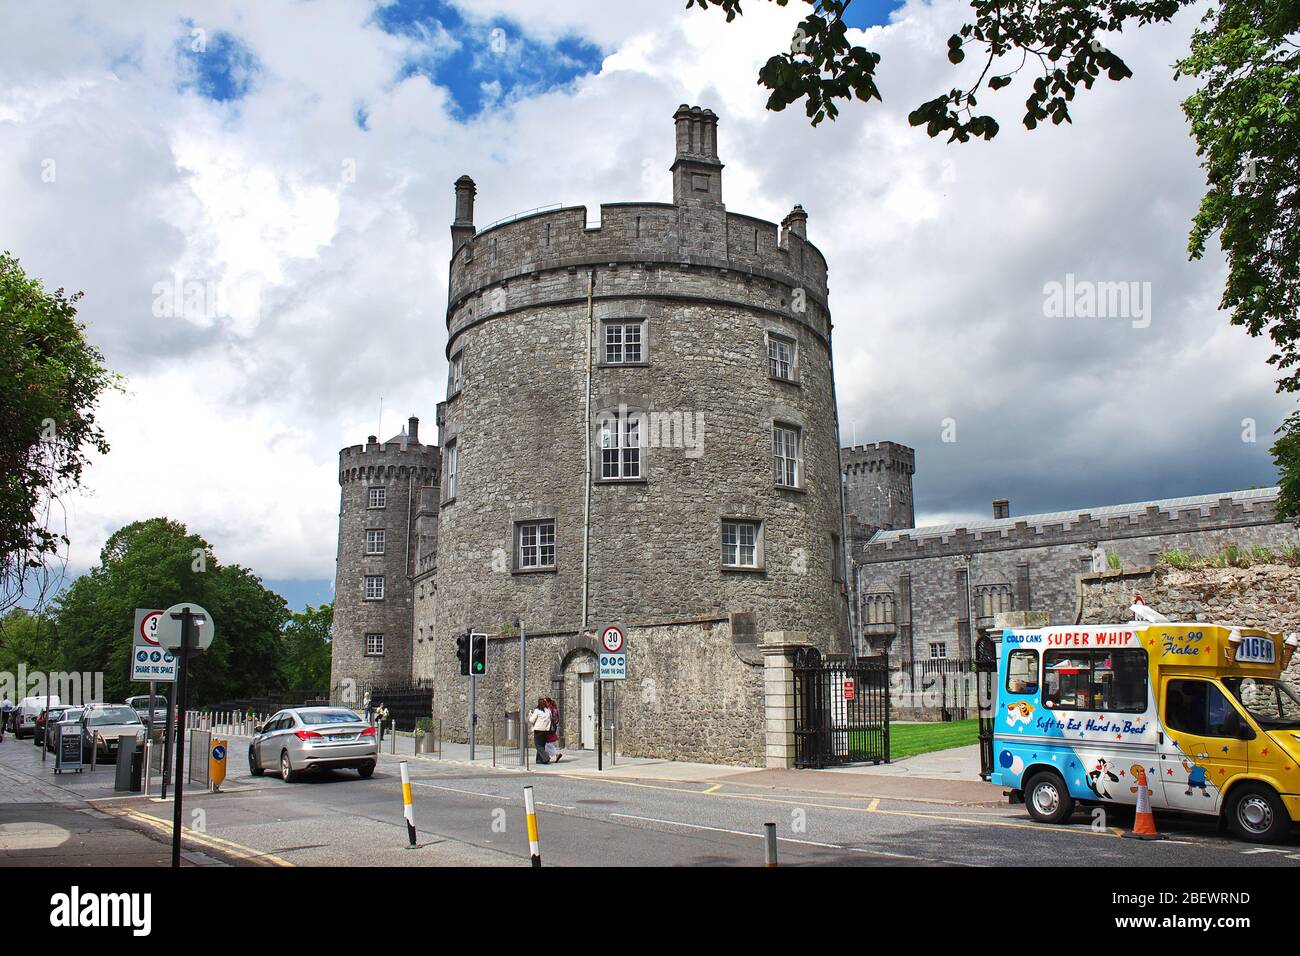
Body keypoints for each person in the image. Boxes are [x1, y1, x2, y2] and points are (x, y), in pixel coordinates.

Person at [528, 698, 552, 764]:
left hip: (538, 730)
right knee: (542, 745)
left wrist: (530, 715)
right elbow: (550, 718)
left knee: (538, 745)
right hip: (546, 730)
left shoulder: (537, 710)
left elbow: (531, 720)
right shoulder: (548, 710)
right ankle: (539, 760)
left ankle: (546, 757)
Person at [544, 697, 562, 764]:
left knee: (547, 742)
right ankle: (548, 757)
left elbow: (548, 718)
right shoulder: (555, 708)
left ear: (548, 702)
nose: (544, 703)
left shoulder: (549, 709)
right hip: (554, 726)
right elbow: (557, 719)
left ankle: (556, 754)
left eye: (545, 702)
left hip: (549, 727)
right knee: (549, 742)